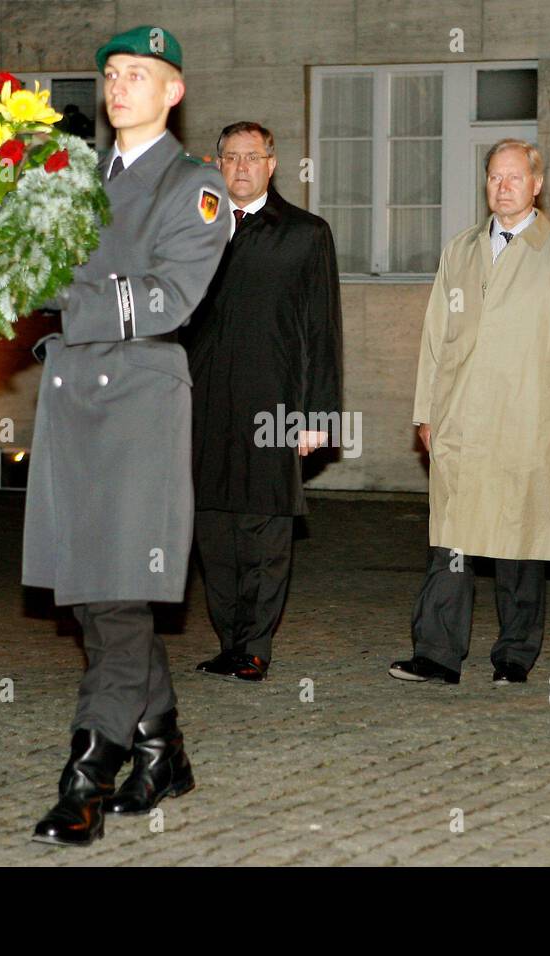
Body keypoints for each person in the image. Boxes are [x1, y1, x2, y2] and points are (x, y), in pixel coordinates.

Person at [24, 26, 229, 847]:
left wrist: (68, 309)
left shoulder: (195, 184)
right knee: (88, 593)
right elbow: (37, 270)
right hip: (74, 402)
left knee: (117, 593)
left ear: (173, 92)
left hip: (138, 402)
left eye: (137, 75)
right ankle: (162, 747)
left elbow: (171, 297)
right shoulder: (73, 178)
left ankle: (87, 773)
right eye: (110, 74)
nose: (118, 88)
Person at [391, 139, 550, 686]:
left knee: (521, 545)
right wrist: (425, 412)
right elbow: (435, 337)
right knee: (451, 543)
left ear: (536, 184)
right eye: (493, 178)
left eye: (513, 177)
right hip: (461, 422)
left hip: (531, 423)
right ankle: (437, 654)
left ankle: (514, 654)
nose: (502, 187)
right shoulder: (459, 251)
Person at [187, 121, 343, 683]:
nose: (242, 167)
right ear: (217, 163)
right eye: (231, 157)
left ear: (272, 164)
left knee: (265, 530)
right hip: (200, 406)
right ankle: (229, 642)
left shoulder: (305, 233)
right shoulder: (193, 230)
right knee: (213, 532)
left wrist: (317, 418)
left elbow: (323, 331)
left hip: (274, 406)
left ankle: (255, 646)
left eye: (253, 157)